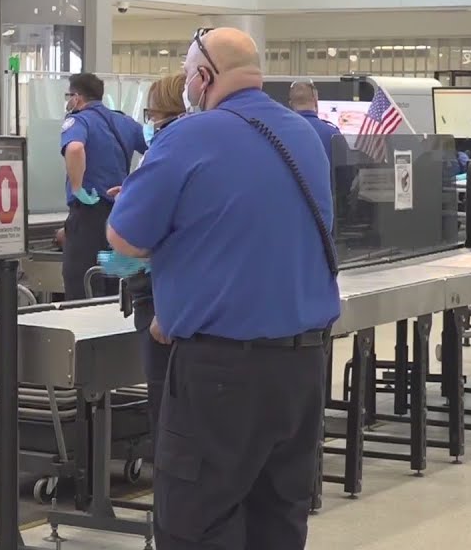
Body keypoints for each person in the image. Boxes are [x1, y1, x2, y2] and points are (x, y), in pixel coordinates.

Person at [104, 27, 340, 550]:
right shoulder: (304, 135)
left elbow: (125, 236)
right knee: (277, 522)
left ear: (204, 76)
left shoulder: (191, 135)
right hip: (301, 370)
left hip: (221, 377)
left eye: (189, 76)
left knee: (197, 523)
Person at [104, 72, 185, 440]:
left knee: (167, 404)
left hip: (160, 295)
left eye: (152, 115)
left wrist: (168, 311)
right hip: (163, 292)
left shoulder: (169, 147)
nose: (149, 124)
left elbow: (161, 232)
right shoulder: (181, 149)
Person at [60, 73, 146, 300]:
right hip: (119, 216)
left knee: (82, 284)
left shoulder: (79, 120)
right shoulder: (124, 121)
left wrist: (78, 188)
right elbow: (156, 147)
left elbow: (75, 148)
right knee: (113, 285)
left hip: (88, 214)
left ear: (77, 97)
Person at [288, 79, 341, 165]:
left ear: (290, 104)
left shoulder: (278, 134)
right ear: (316, 101)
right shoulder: (333, 133)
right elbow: (346, 174)